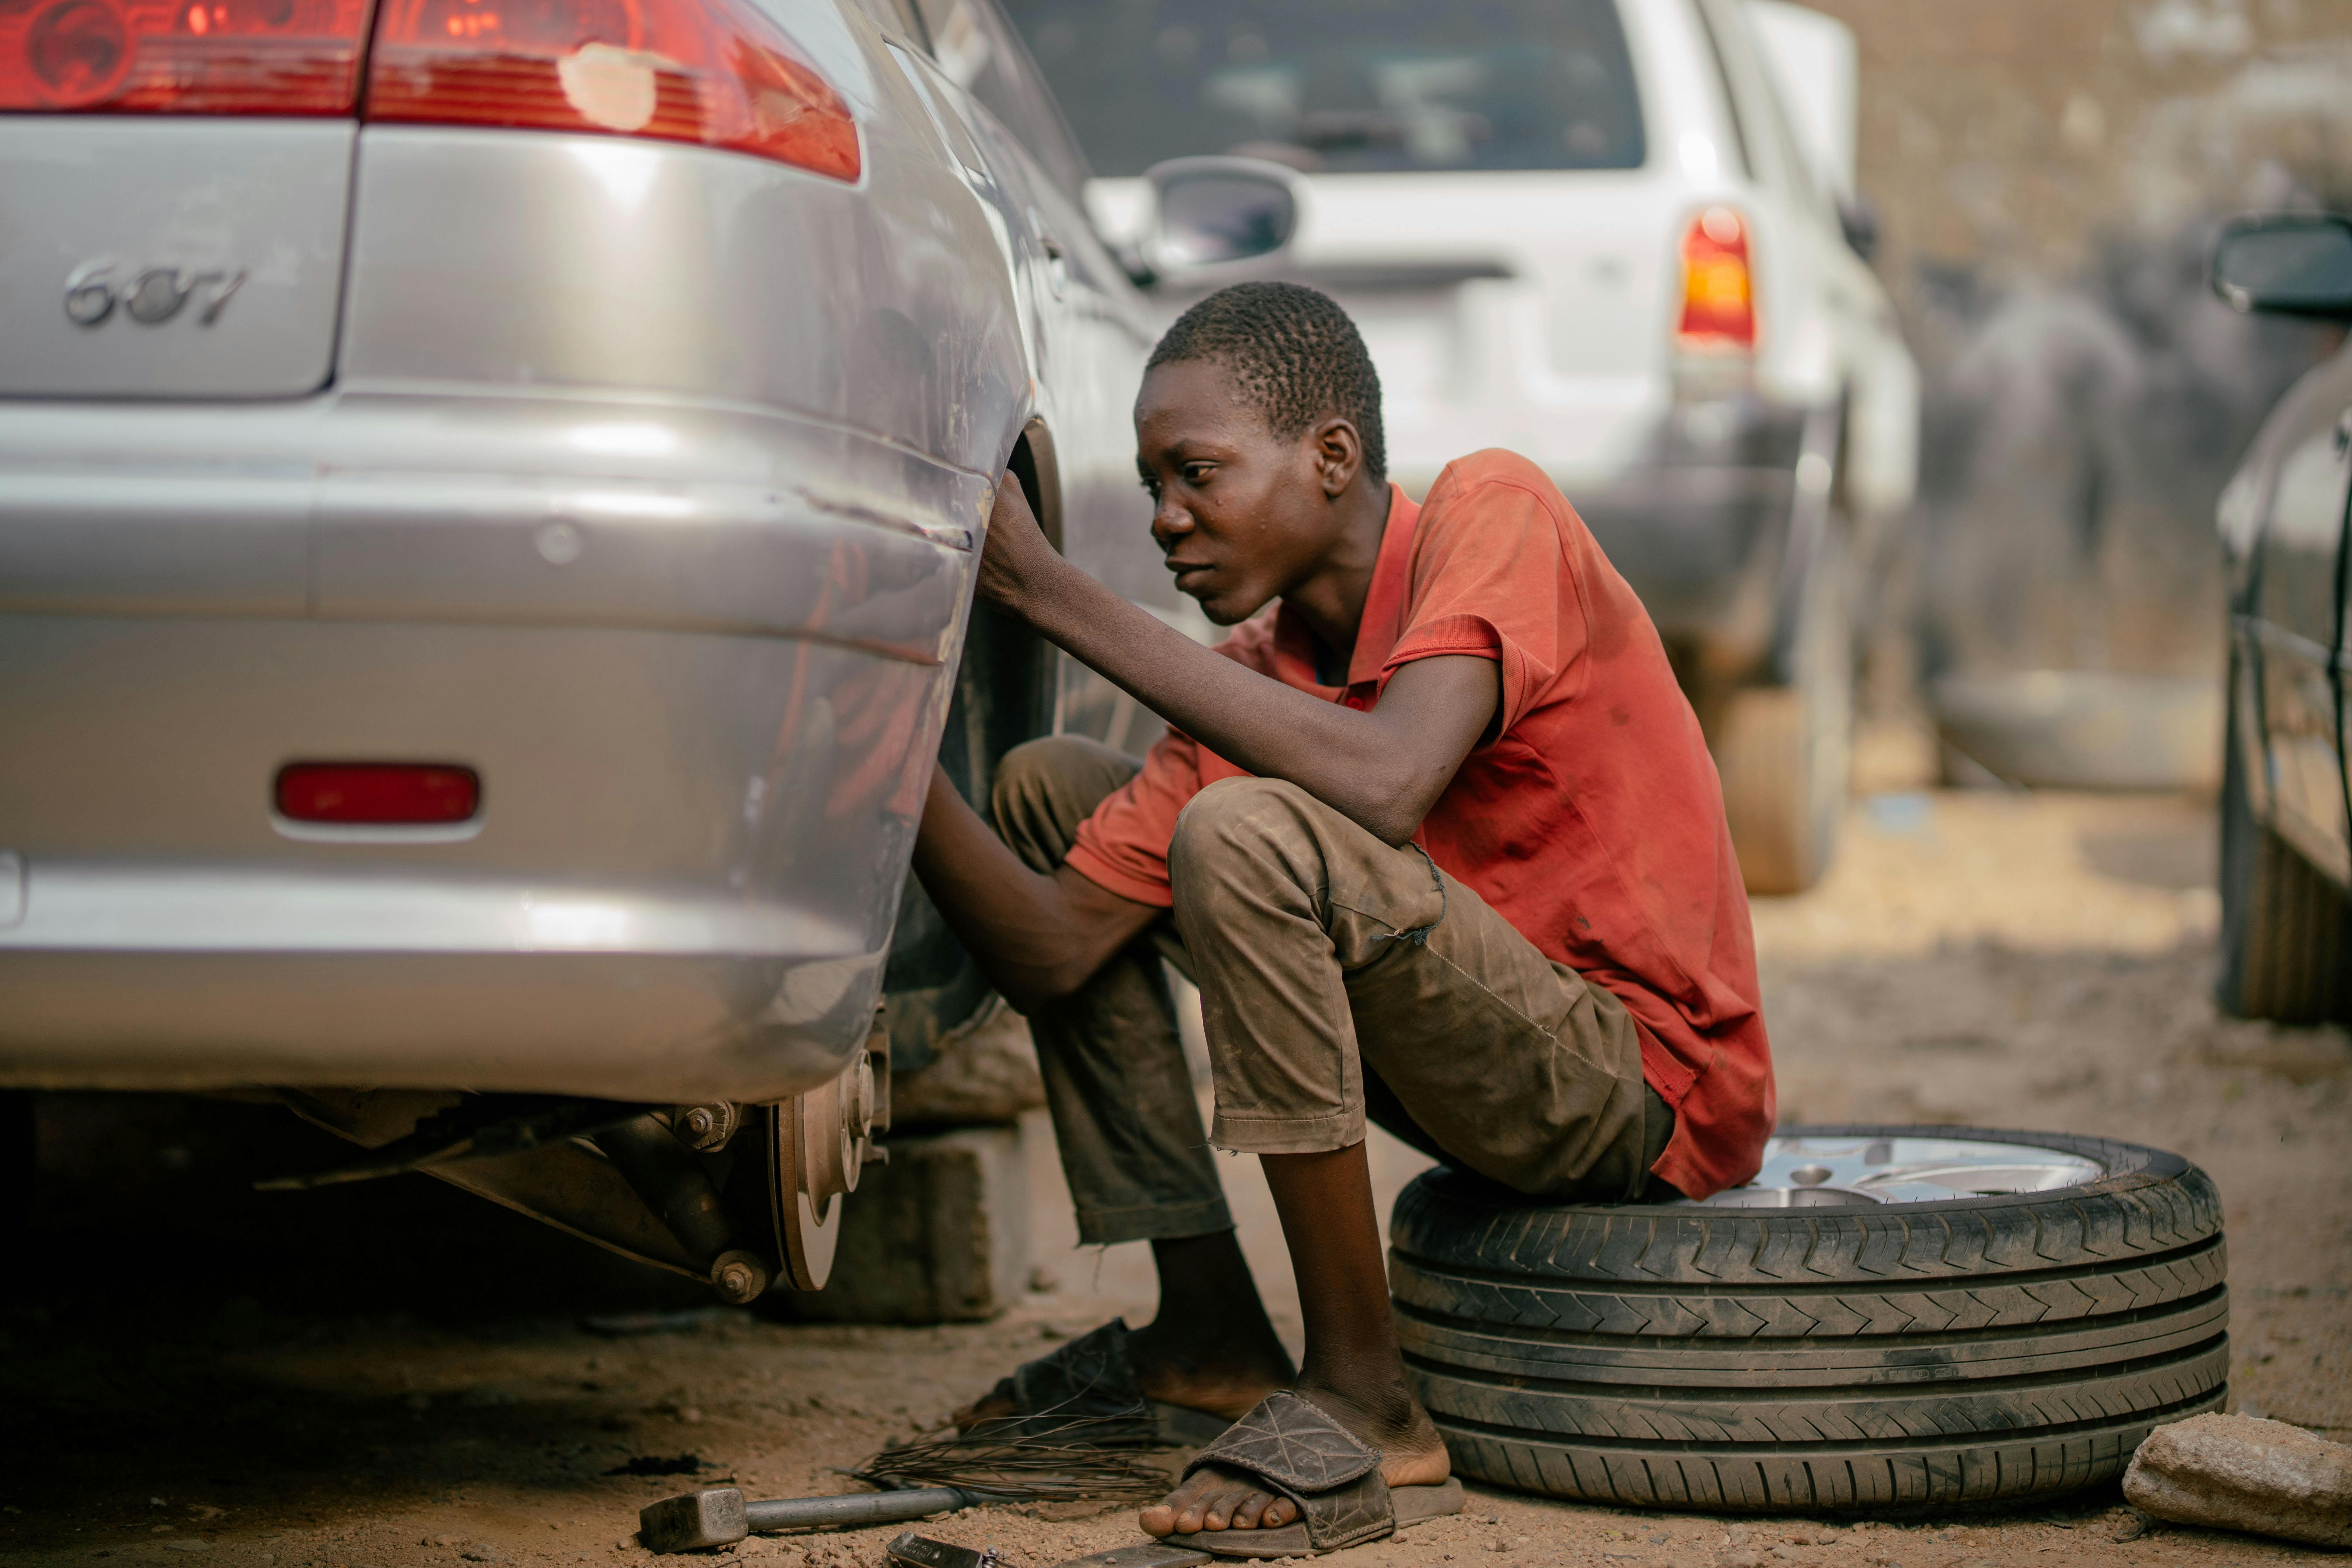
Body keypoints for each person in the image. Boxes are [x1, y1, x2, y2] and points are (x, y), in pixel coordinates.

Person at [909, 283, 1773, 1556]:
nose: (1164, 521)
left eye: (1197, 474)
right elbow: (1053, 948)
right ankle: (1207, 1331)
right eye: (1151, 486)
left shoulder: (1495, 513)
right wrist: (886, 757)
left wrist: (1049, 592)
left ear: (1332, 456)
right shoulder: (1259, 677)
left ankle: (1365, 1396)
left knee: (1246, 830)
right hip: (1479, 1070)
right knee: (1053, 791)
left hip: (1639, 1088)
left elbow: (1388, 777)